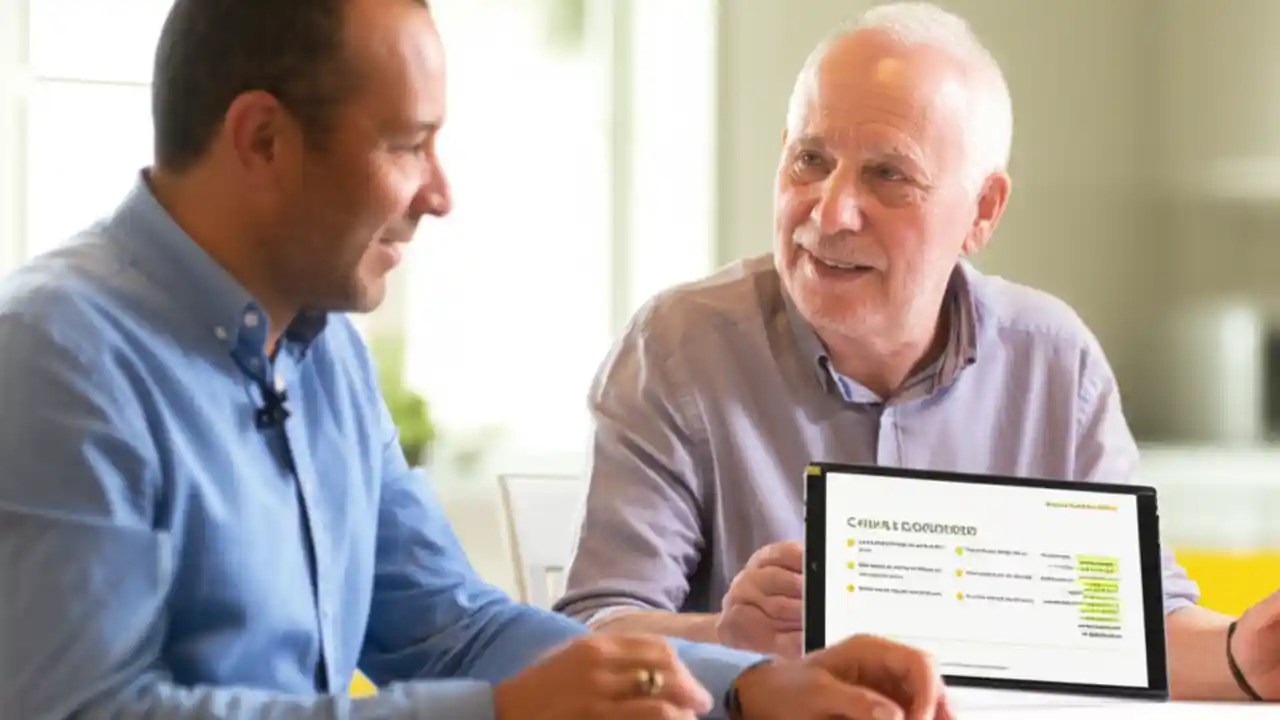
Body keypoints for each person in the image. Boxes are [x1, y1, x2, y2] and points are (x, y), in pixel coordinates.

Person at [0, 1, 960, 719]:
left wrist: (757, 689)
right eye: (407, 145)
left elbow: (451, 626)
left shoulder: (323, 350)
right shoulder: (55, 358)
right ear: (262, 139)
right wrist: (497, 715)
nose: (440, 194)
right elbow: (90, 713)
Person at [554, 0, 1280, 703]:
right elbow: (587, 637)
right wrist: (728, 640)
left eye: (888, 174)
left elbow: (1131, 627)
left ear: (983, 211)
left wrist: (1241, 652)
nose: (830, 212)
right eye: (811, 159)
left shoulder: (1056, 364)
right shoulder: (679, 350)